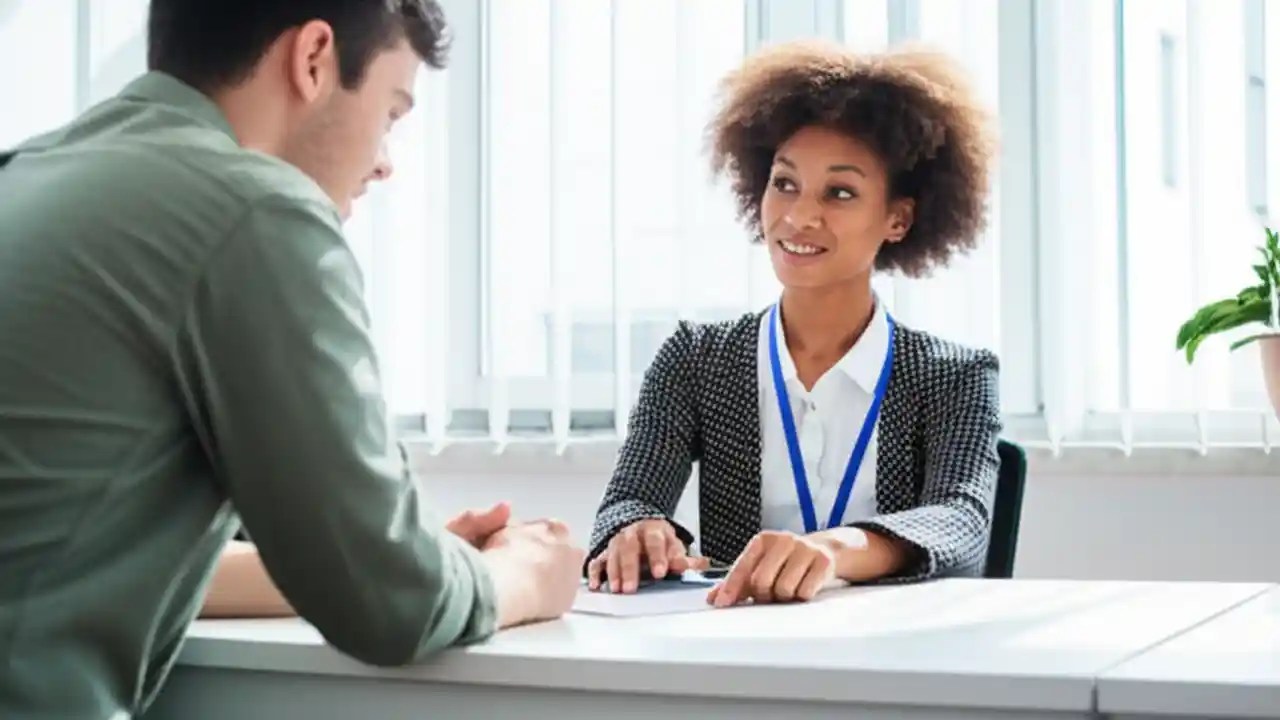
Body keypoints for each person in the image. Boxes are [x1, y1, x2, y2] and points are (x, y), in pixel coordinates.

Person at [0, 1, 584, 717]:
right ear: (313, 58)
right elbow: (390, 603)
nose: (386, 163)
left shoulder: (29, 172)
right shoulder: (253, 209)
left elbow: (82, 554)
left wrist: (414, 550)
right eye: (392, 112)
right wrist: (519, 575)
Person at [586, 41, 1001, 606]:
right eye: (784, 183)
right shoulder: (696, 358)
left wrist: (835, 550)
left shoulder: (956, 375)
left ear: (898, 219)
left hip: (899, 655)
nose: (799, 216)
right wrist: (637, 531)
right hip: (745, 655)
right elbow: (627, 501)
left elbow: (962, 523)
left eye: (840, 192)